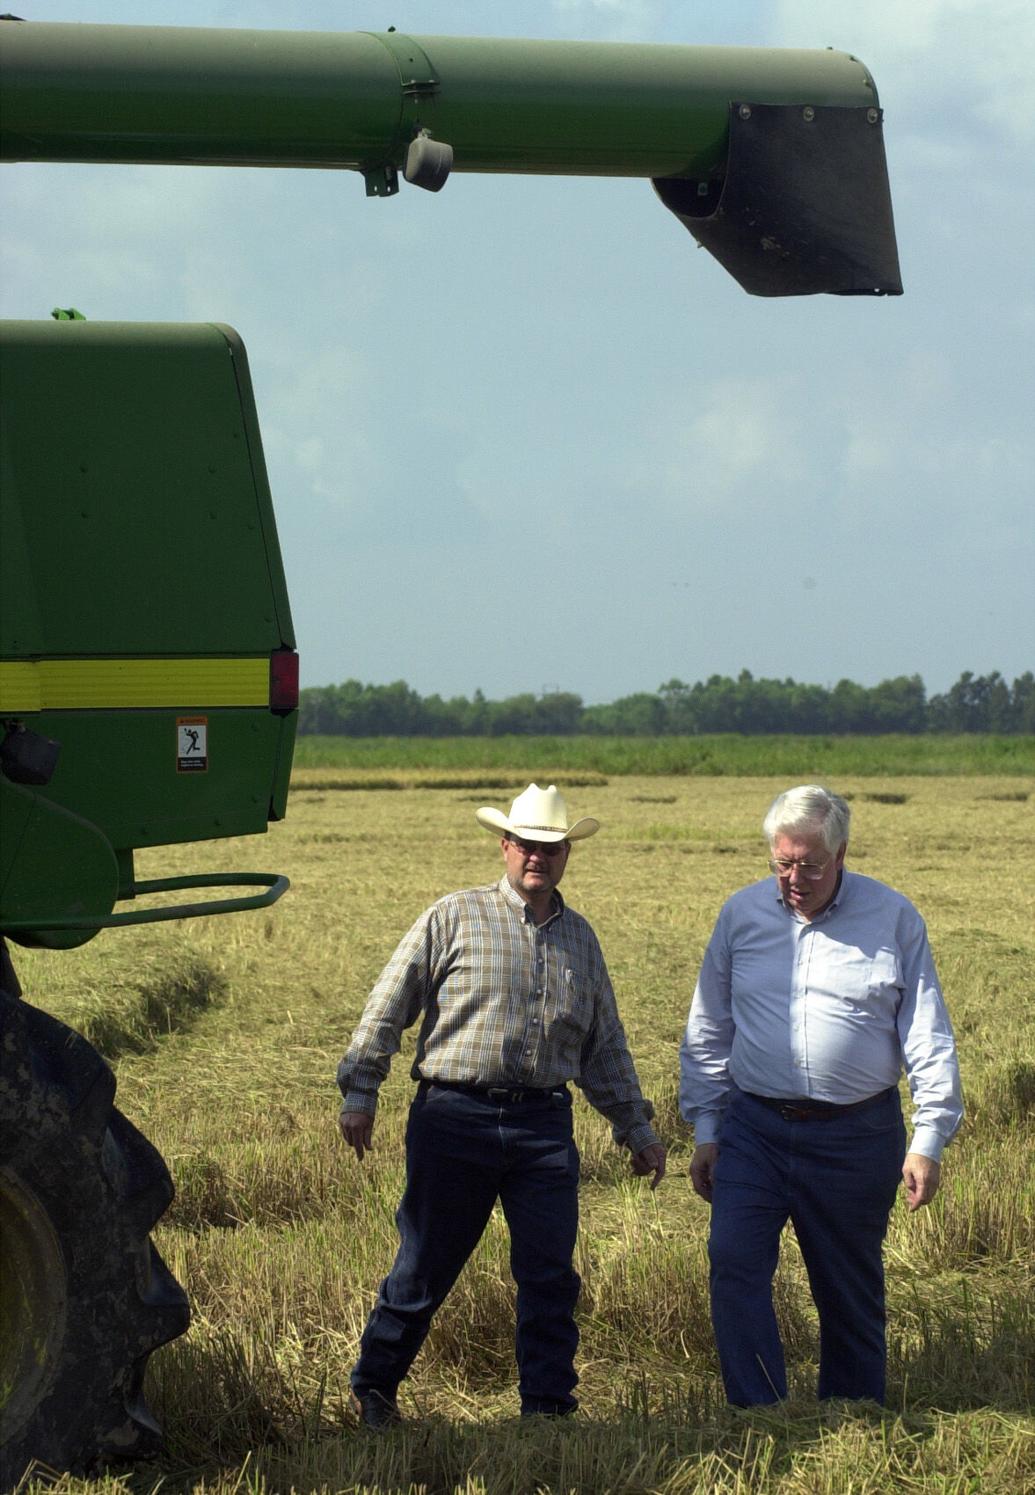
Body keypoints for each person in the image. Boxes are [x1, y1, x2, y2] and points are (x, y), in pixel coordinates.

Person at [338, 783, 666, 1427]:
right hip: (451, 1118)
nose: (537, 856)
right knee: (425, 1265)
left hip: (543, 1125)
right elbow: (389, 1005)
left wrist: (637, 1128)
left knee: (549, 1275)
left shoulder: (582, 941)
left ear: (567, 853)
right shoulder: (452, 917)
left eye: (551, 846)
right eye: (526, 844)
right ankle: (374, 1387)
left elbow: (604, 1047)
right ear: (504, 845)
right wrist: (361, 1090)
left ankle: (547, 1407)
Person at [680, 783, 962, 1407]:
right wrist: (706, 1128)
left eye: (809, 864)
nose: (794, 878)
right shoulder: (740, 916)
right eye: (782, 863)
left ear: (841, 855)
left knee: (847, 1285)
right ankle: (760, 1414)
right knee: (733, 1263)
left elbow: (927, 1032)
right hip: (752, 1129)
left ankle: (853, 1416)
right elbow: (709, 1027)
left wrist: (929, 1140)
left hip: (856, 1136)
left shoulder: (893, 918)